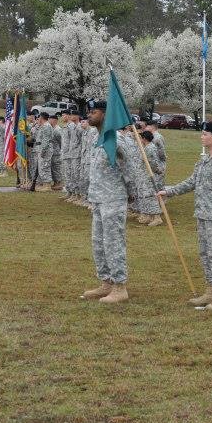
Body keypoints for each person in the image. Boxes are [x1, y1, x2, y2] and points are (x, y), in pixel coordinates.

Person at [159, 121, 212, 311]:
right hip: (203, 215)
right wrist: (169, 191)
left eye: (205, 134)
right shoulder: (204, 160)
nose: (202, 137)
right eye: (201, 133)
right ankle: (210, 290)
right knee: (205, 254)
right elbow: (192, 182)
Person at [79, 99, 142, 304]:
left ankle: (119, 286)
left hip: (114, 198)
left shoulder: (117, 140)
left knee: (114, 242)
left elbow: (131, 167)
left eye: (94, 112)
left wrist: (132, 193)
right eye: (89, 112)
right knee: (99, 243)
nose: (89, 115)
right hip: (98, 198)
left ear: (105, 114)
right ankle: (106, 283)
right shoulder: (97, 138)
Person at [135, 130, 165, 226]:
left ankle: (157, 217)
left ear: (144, 139)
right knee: (145, 196)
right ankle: (148, 215)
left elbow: (152, 163)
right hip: (143, 176)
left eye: (141, 138)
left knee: (150, 196)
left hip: (148, 176)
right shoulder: (147, 147)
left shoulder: (150, 148)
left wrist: (157, 171)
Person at [35, 112, 55, 192]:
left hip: (45, 150)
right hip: (41, 148)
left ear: (41, 118)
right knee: (42, 167)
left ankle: (47, 185)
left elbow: (46, 141)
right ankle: (44, 184)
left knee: (45, 166)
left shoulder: (46, 126)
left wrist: (42, 151)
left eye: (39, 117)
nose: (38, 119)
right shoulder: (44, 126)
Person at [49, 114, 64, 190]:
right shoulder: (51, 129)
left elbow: (62, 142)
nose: (49, 121)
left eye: (50, 119)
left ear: (55, 120)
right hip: (52, 153)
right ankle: (55, 183)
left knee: (57, 168)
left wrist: (60, 151)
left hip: (57, 153)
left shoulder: (57, 130)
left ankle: (59, 183)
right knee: (53, 168)